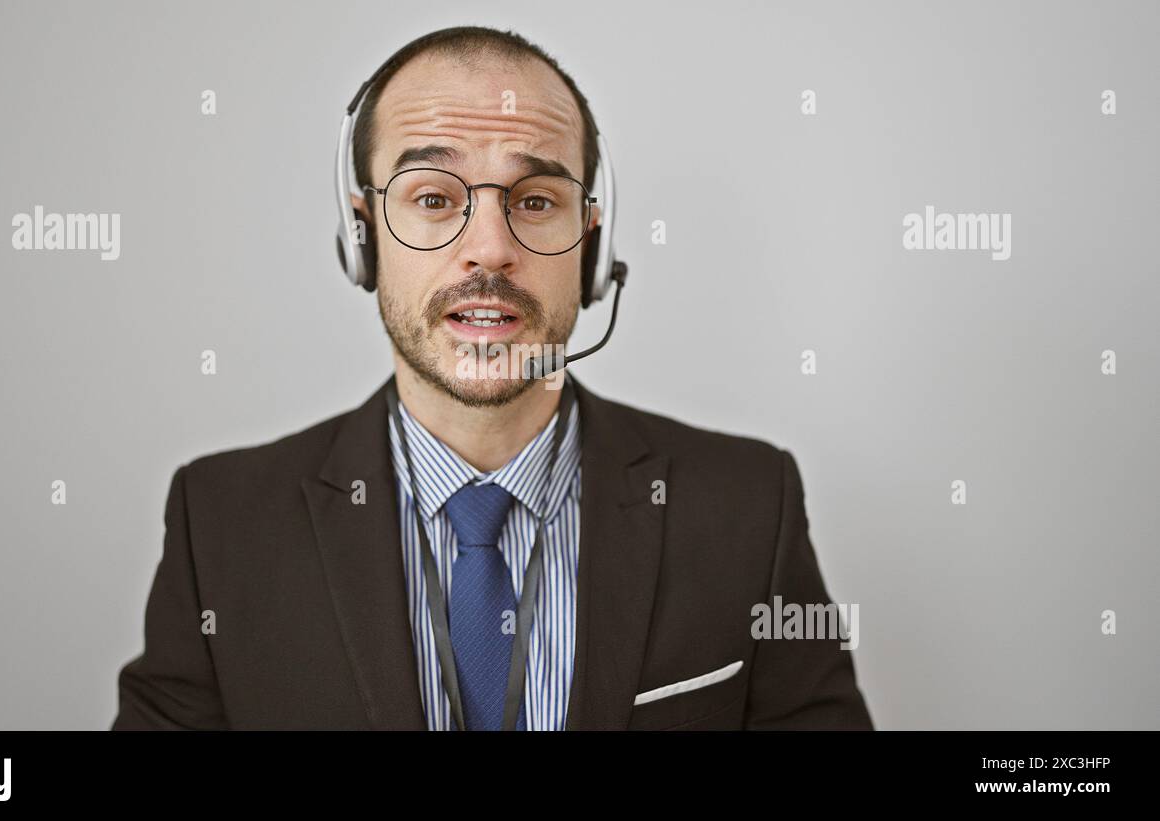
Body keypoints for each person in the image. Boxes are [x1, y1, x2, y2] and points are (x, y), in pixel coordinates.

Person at [112, 25, 873, 731]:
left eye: (535, 201)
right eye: (434, 198)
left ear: (593, 250)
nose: (488, 249)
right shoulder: (219, 524)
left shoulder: (747, 504)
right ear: (361, 237)